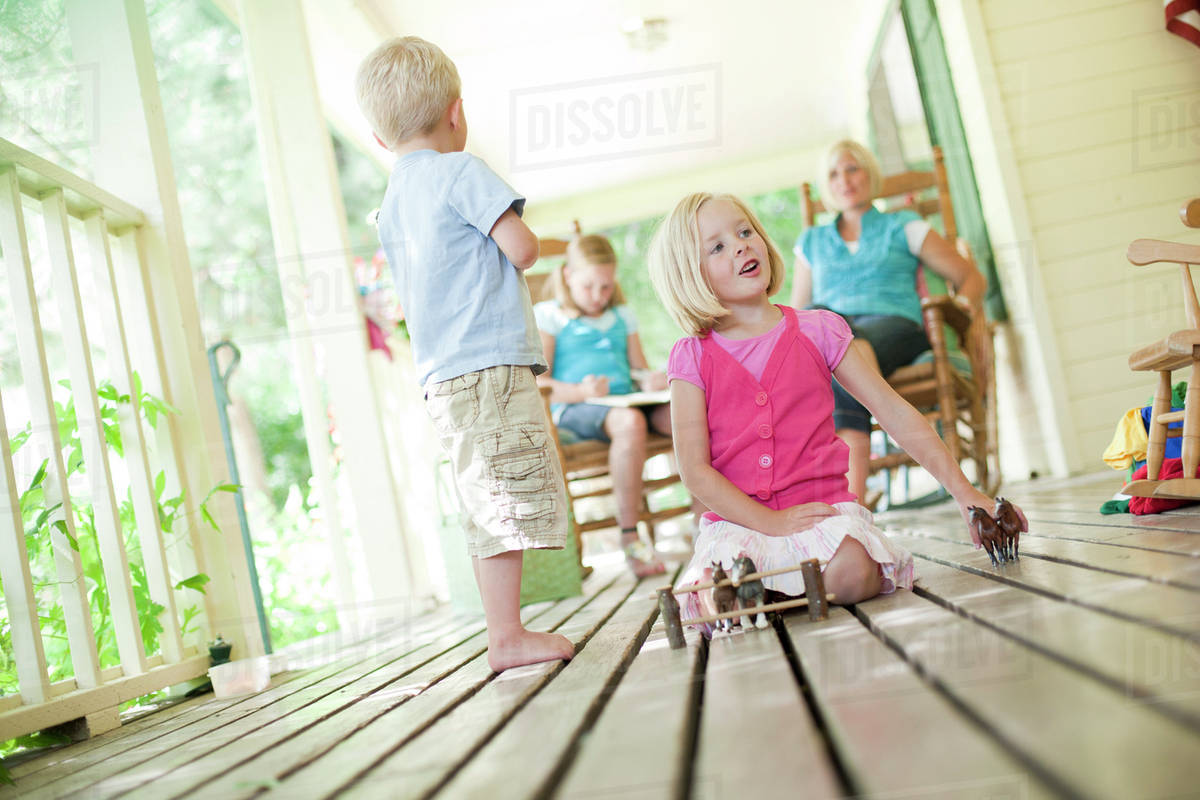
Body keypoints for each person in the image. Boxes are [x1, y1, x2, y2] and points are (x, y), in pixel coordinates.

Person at [647, 191, 1025, 625]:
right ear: (689, 276)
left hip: (820, 515)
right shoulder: (690, 356)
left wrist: (965, 492)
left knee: (854, 573)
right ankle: (744, 590)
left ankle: (768, 596)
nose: (740, 245)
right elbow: (695, 470)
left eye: (745, 231)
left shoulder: (819, 329)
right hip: (741, 523)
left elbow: (893, 410)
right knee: (719, 587)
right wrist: (769, 523)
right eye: (717, 246)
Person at [356, 37, 573, 672]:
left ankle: (506, 630)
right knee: (504, 494)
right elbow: (523, 249)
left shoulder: (392, 201)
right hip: (488, 364)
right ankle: (505, 635)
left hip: (444, 375)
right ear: (457, 112)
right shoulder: (462, 170)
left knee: (491, 487)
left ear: (377, 138)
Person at [791, 140, 987, 506]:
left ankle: (851, 500)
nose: (844, 180)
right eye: (834, 173)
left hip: (897, 328)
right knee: (827, 330)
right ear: (825, 185)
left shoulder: (903, 225)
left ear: (870, 173)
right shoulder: (812, 242)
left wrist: (959, 308)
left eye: (853, 168)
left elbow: (971, 278)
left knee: (839, 350)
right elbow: (797, 313)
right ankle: (853, 501)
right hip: (838, 339)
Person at [533, 234, 670, 578]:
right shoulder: (550, 316)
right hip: (578, 409)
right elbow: (539, 382)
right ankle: (630, 536)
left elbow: (637, 367)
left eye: (606, 287)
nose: (598, 296)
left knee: (686, 412)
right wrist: (580, 391)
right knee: (629, 424)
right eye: (589, 286)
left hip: (627, 402)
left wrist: (648, 378)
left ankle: (710, 524)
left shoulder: (622, 315)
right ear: (567, 275)